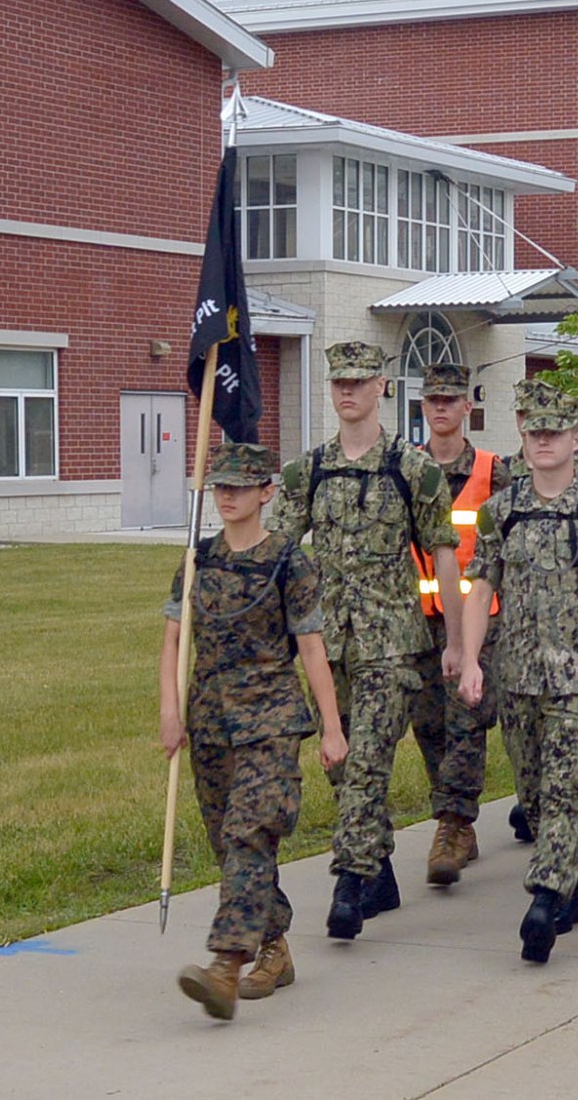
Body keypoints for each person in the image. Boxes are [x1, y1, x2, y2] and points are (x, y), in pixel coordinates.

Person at [269, 342, 461, 939]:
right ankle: (379, 873)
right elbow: (275, 550)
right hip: (330, 648)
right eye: (338, 383)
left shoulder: (413, 469)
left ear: (382, 387)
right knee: (340, 763)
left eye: (358, 381)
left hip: (393, 646)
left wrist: (456, 642)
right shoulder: (310, 472)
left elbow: (446, 556)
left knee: (369, 762)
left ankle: (349, 884)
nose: (347, 392)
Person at [457, 380, 578, 964]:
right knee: (536, 794)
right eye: (534, 432)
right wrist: (470, 659)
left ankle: (543, 899)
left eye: (554, 432)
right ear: (524, 437)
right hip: (519, 677)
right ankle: (568, 880)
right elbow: (481, 585)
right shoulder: (502, 511)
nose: (543, 441)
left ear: (575, 438)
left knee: (565, 789)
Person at [163, 441, 347, 1021]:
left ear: (266, 492)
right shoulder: (199, 559)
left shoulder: (289, 561)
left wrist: (331, 728)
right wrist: (170, 711)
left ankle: (225, 966)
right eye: (220, 486)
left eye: (239, 486)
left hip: (270, 721)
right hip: (211, 722)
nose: (228, 496)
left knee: (249, 834)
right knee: (229, 845)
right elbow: (173, 640)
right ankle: (274, 946)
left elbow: (312, 648)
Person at [409, 363, 510, 886]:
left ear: (466, 407)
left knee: (467, 718)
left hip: (478, 620)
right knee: (428, 723)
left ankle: (452, 822)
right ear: (423, 407)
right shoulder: (406, 468)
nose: (441, 407)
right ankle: (454, 815)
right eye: (433, 400)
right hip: (416, 621)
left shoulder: (494, 471)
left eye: (450, 399)